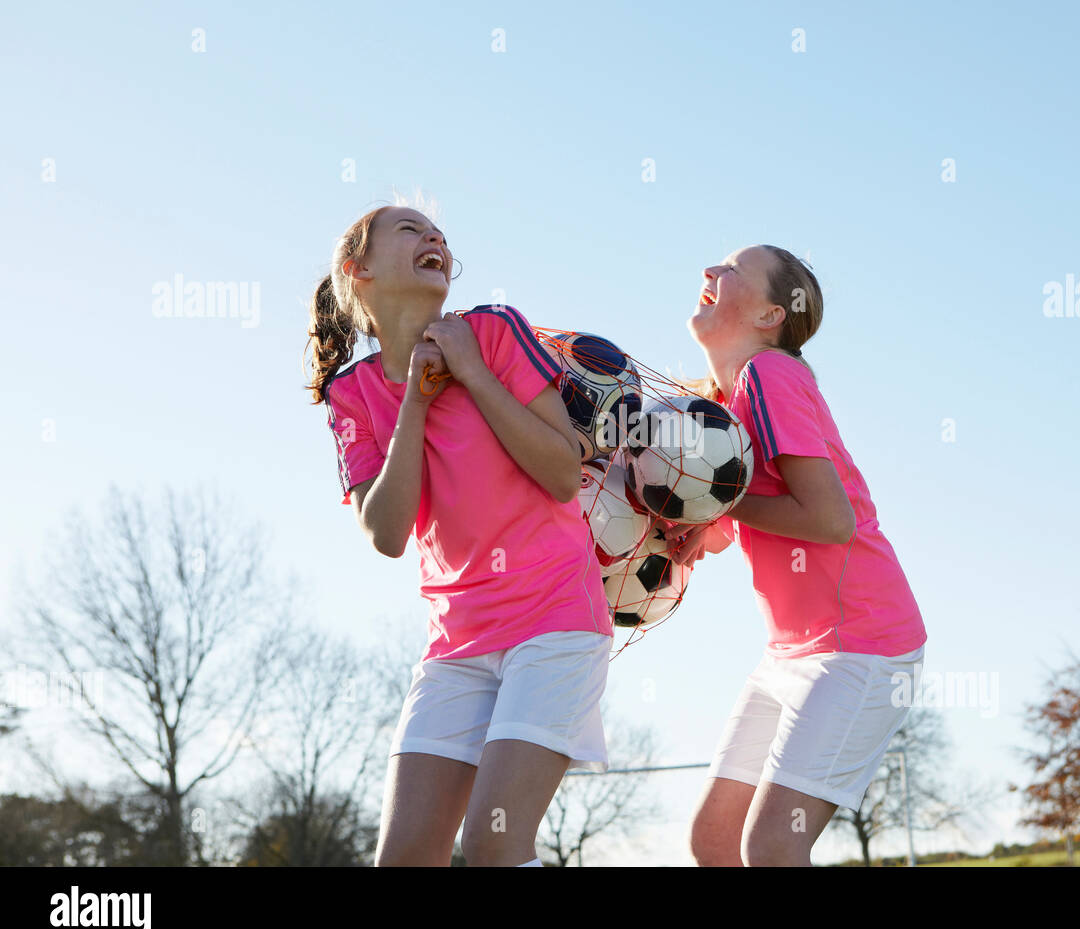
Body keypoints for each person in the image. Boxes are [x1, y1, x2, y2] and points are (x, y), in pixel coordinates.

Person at [303, 205, 613, 867]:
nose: (434, 237)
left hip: (555, 620)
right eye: (410, 230)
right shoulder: (351, 395)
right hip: (456, 644)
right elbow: (386, 533)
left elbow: (562, 472)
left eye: (438, 232)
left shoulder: (495, 332)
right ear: (359, 273)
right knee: (405, 856)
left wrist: (470, 372)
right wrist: (416, 398)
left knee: (495, 844)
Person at [669, 244, 927, 866]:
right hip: (792, 652)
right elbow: (734, 527)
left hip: (862, 644)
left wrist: (720, 506)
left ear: (770, 316)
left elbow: (830, 521)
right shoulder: (729, 403)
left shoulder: (771, 374)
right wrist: (686, 529)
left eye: (731, 270)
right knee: (714, 841)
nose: (709, 271)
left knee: (773, 847)